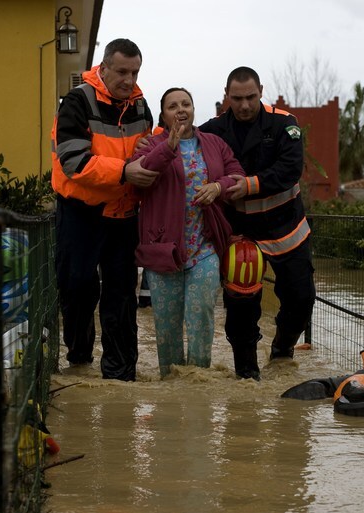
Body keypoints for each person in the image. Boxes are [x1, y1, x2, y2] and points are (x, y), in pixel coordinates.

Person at [199, 66, 316, 380]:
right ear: (227, 97)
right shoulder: (211, 130)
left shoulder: (284, 124)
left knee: (301, 298)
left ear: (261, 91)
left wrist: (250, 185)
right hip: (240, 235)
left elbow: (290, 169)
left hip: (286, 229)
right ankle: (247, 376)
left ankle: (282, 350)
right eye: (237, 98)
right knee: (240, 308)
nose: (244, 105)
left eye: (250, 97)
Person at [51, 38, 158, 381]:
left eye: (135, 72)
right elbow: (72, 161)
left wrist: (149, 153)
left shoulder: (141, 106)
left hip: (123, 214)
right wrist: (126, 170)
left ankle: (120, 375)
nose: (129, 79)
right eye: (123, 71)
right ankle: (79, 357)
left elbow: (148, 154)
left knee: (122, 294)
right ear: (104, 67)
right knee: (79, 286)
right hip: (81, 211)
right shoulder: (76, 102)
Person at [131, 87, 242, 378]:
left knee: (201, 316)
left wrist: (219, 186)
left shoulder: (215, 144)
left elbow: (237, 175)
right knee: (166, 324)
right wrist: (168, 147)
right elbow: (139, 181)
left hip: (204, 247)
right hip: (163, 248)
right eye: (172, 106)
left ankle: (198, 384)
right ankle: (170, 383)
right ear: (163, 114)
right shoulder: (149, 145)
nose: (180, 109)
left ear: (194, 109)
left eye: (186, 104)